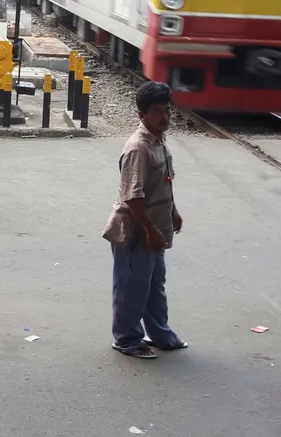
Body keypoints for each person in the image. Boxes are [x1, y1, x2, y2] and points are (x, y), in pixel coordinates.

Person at [102, 81, 186, 359]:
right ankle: (126, 340)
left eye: (167, 110)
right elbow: (133, 196)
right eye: (158, 111)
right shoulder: (138, 148)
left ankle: (161, 335)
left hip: (155, 229)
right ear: (142, 115)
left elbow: (163, 183)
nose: (165, 116)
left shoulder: (159, 141)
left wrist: (173, 212)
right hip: (136, 232)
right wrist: (150, 230)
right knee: (132, 288)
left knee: (154, 286)